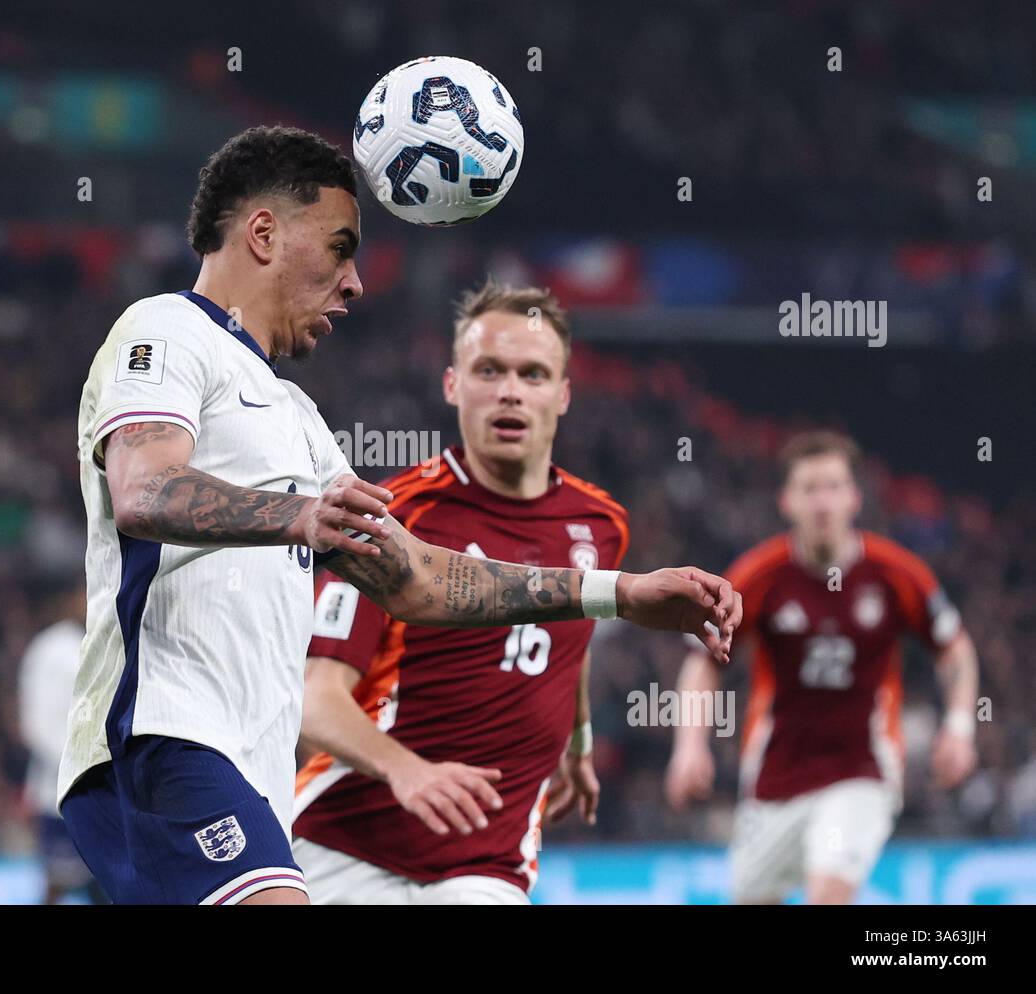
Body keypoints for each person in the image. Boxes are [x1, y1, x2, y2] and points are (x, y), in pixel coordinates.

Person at [59, 124, 742, 905]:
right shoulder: (164, 330)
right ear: (262, 233)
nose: (354, 283)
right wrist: (299, 516)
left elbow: (415, 579)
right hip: (159, 738)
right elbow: (144, 491)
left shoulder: (298, 418)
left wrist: (619, 594)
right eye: (340, 248)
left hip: (253, 767)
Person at [293, 280, 626, 904]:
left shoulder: (602, 526)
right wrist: (406, 770)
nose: (509, 391)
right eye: (488, 370)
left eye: (532, 374)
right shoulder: (392, 520)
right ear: (452, 384)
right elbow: (315, 701)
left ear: (562, 394)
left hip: (488, 861)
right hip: (345, 840)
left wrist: (578, 746)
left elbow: (568, 642)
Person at [664, 431, 979, 904]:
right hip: (775, 774)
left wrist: (959, 727)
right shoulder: (759, 576)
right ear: (786, 501)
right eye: (809, 489)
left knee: (828, 895)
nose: (822, 501)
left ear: (854, 497)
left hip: (863, 768)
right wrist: (689, 746)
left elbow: (954, 649)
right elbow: (702, 664)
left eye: (833, 486)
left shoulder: (895, 574)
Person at [18, 581, 99, 903]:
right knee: (60, 877)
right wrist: (74, 762)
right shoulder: (52, 648)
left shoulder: (94, 642)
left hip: (96, 784)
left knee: (102, 875)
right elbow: (35, 722)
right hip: (58, 788)